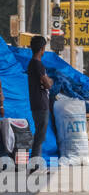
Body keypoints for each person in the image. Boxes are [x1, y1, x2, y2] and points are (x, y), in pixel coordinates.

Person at [27, 35, 52, 168]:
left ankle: (37, 164)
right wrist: (49, 81)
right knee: (40, 136)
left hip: (36, 103)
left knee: (39, 135)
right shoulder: (38, 64)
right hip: (41, 104)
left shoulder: (32, 64)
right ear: (42, 49)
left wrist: (47, 81)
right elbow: (47, 84)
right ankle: (35, 165)